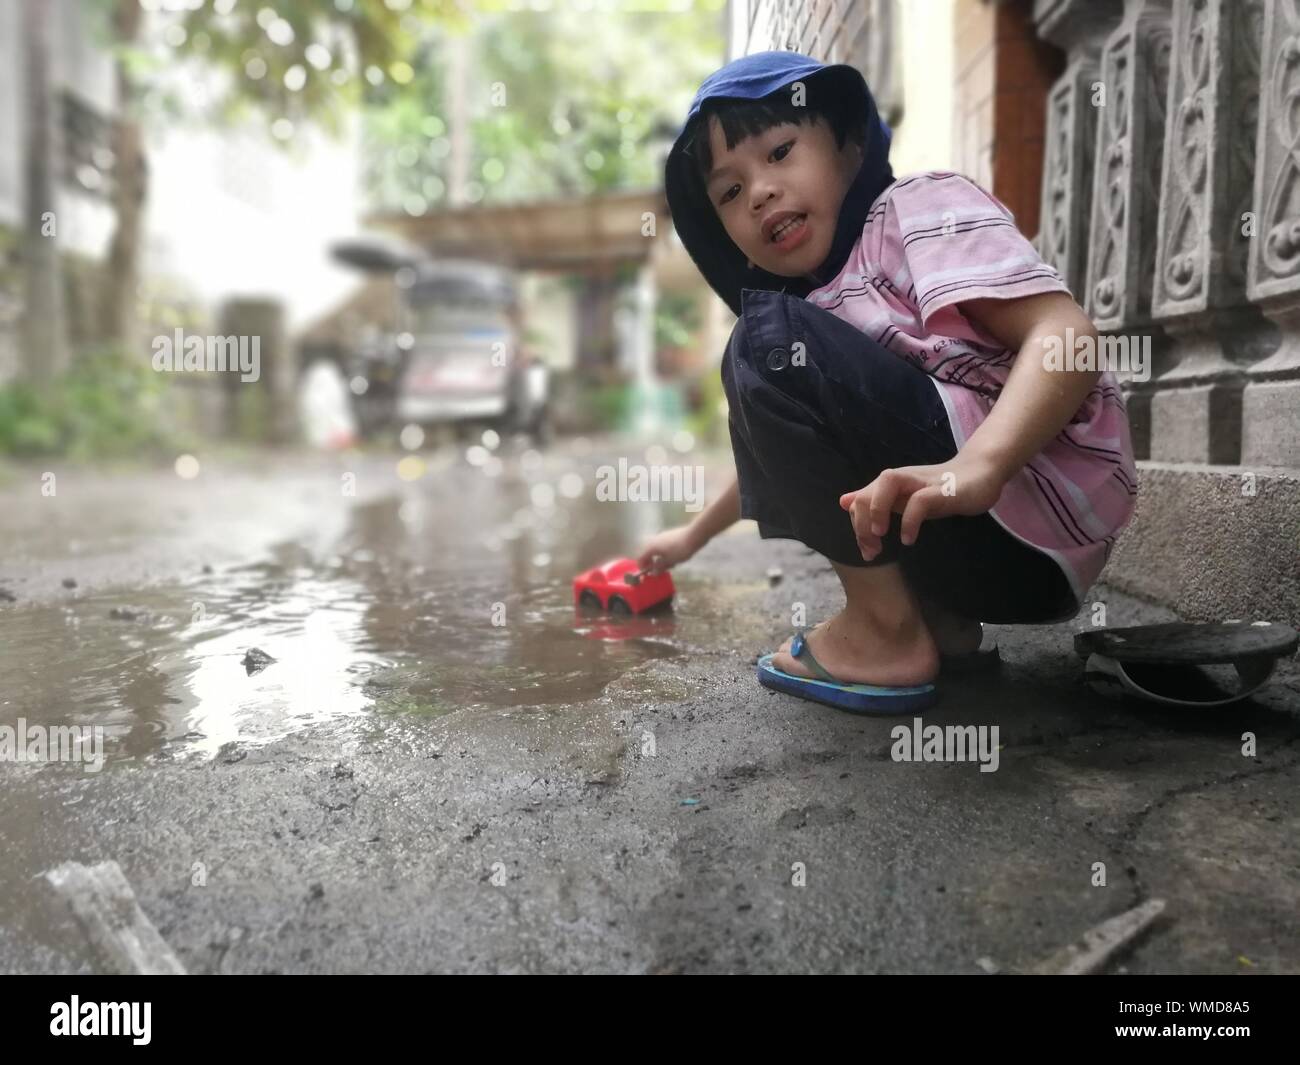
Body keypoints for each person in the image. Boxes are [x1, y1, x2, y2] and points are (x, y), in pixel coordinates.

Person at [637, 50, 1137, 702]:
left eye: (781, 152)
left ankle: (882, 631)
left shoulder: (917, 210)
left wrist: (979, 466)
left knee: (763, 343)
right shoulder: (813, 313)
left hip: (1035, 499)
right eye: (729, 192)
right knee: (767, 349)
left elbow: (1065, 336)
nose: (759, 191)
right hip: (991, 562)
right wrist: (690, 536)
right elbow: (772, 447)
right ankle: (942, 623)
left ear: (848, 144)